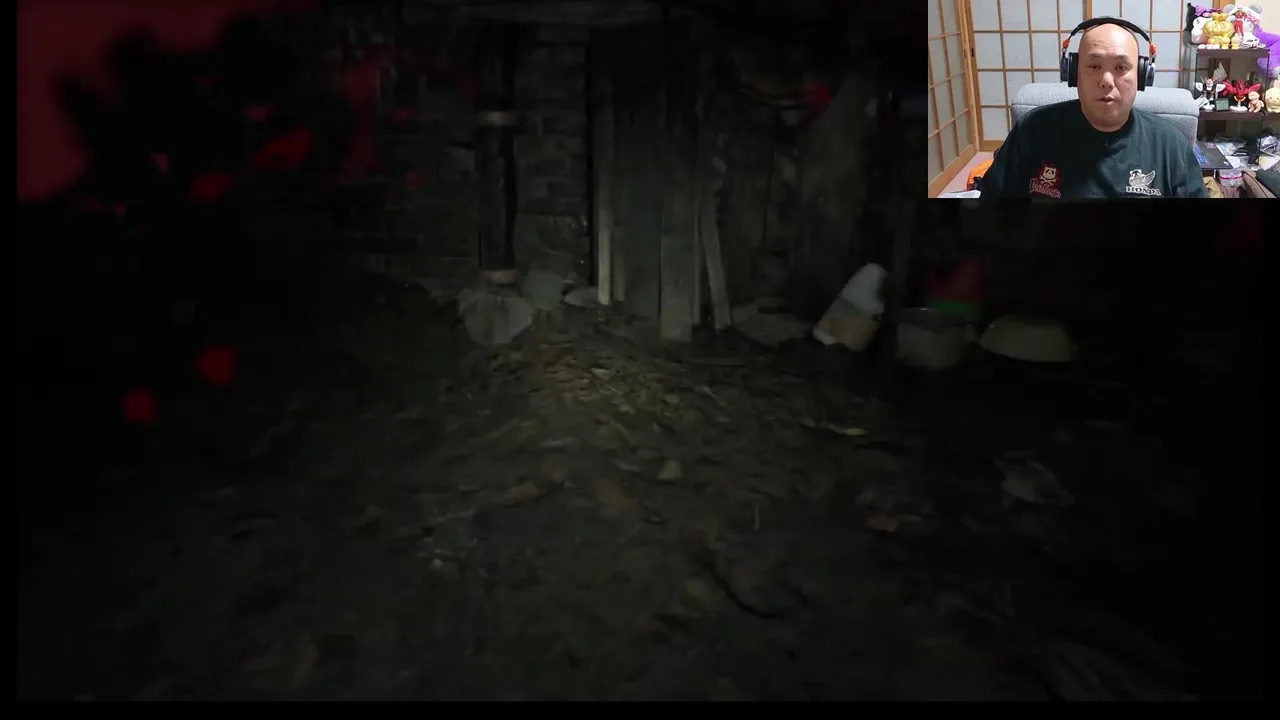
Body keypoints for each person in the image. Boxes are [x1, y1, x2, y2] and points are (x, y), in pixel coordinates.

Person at [981, 21, 1207, 199]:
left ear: (1141, 76)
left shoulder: (1171, 146)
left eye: (1121, 67)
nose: (1106, 81)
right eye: (1094, 66)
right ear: (1074, 74)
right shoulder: (1032, 131)